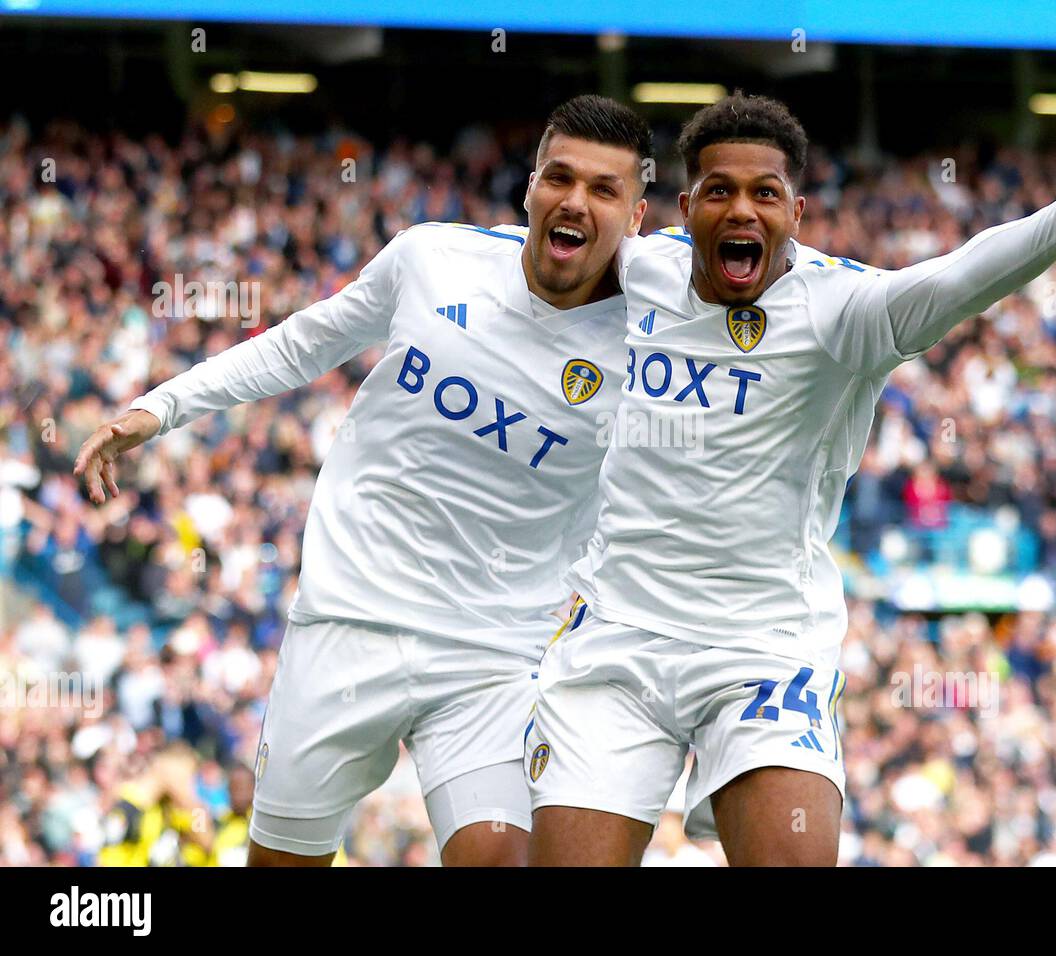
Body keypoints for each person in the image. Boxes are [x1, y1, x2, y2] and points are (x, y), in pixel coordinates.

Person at [527, 92, 1056, 866]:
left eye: (765, 193)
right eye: (719, 191)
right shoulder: (637, 274)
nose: (742, 209)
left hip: (764, 646)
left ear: (798, 210)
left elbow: (959, 278)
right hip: (618, 633)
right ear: (685, 207)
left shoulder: (841, 310)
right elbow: (518, 260)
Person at [75, 95, 651, 866]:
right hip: (347, 623)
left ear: (639, 218)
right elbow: (301, 345)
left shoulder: (653, 345)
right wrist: (161, 408)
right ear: (530, 188)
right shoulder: (433, 258)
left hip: (493, 655)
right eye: (559, 177)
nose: (574, 200)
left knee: (501, 859)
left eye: (604, 189)